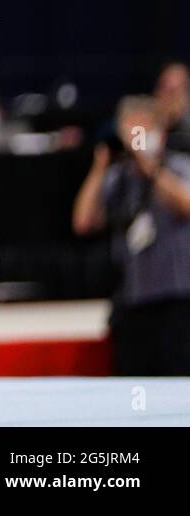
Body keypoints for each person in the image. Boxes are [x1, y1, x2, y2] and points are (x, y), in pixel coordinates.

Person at [73, 95, 190, 374]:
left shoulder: (178, 167)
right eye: (128, 132)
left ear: (159, 132)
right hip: (134, 302)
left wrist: (151, 166)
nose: (133, 141)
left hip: (177, 300)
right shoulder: (118, 178)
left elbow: (186, 205)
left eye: (141, 131)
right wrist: (99, 168)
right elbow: (84, 222)